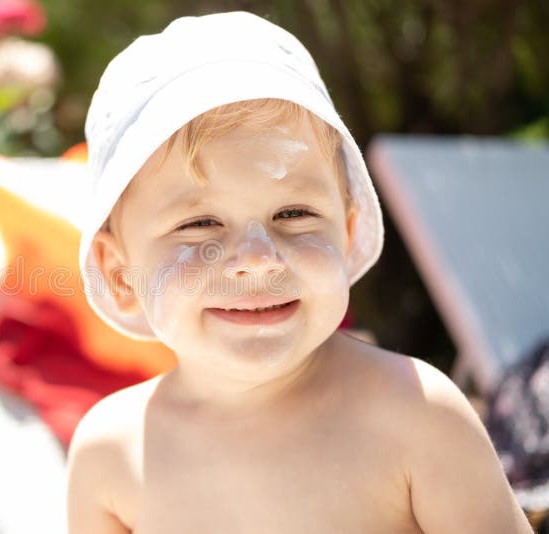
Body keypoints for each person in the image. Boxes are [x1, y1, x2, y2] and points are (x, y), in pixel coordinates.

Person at [66, 11, 532, 533]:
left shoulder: (415, 415)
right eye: (199, 224)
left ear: (348, 232)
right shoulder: (110, 456)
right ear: (121, 273)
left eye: (294, 214)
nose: (257, 258)